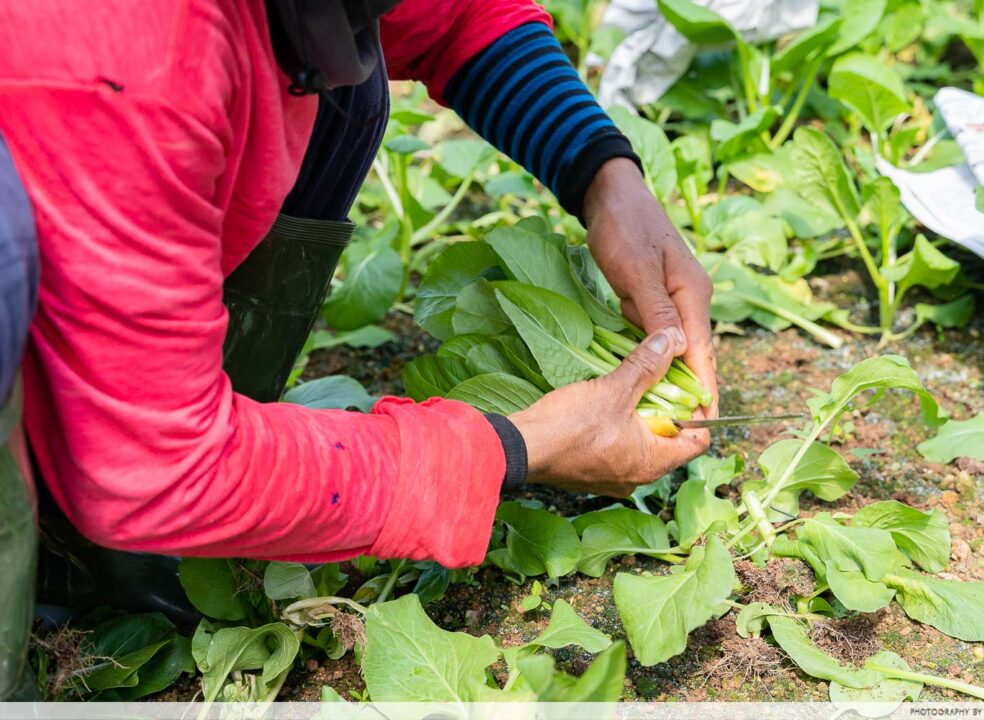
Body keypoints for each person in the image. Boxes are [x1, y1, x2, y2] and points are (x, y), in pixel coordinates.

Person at [0, 0, 717, 698]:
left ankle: (167, 509)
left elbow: (452, 18)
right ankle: (51, 565)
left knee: (340, 72)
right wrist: (515, 448)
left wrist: (605, 178)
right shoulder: (128, 56)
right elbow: (161, 468)